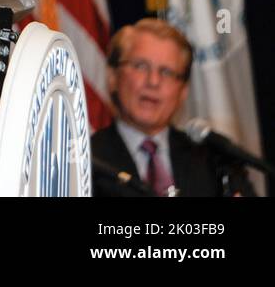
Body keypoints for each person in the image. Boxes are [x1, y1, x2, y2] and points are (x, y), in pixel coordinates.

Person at [91, 18, 253, 196]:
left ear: (183, 91)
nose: (153, 82)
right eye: (141, 66)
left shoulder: (217, 161)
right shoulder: (85, 160)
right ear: (113, 77)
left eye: (166, 72)